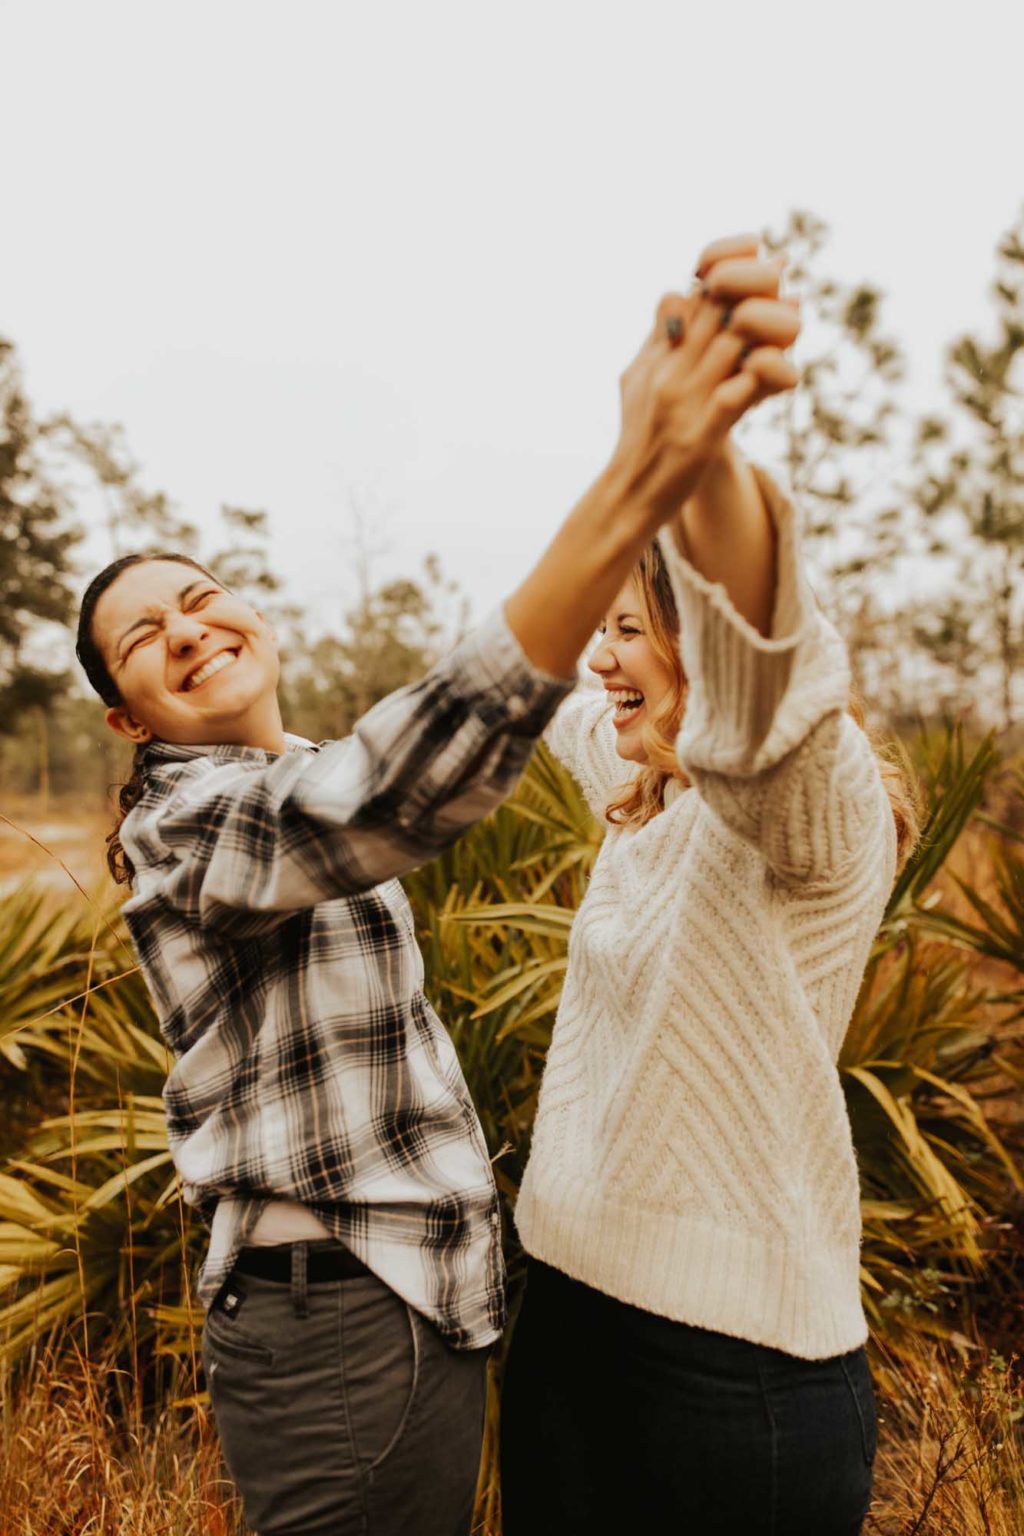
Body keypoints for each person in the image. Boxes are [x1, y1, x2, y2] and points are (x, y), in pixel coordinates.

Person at [73, 237, 801, 1536]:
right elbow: (393, 786)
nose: (186, 627)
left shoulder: (293, 770)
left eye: (200, 596)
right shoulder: (185, 829)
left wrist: (706, 481)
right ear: (128, 719)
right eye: (146, 637)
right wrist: (634, 477)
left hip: (412, 1299)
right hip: (332, 1316)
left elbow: (598, 715)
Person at [499, 237, 918, 1536]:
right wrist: (634, 458)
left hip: (730, 1379)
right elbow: (524, 685)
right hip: (562, 1314)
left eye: (635, 631)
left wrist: (703, 464)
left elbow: (767, 672)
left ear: (697, 647)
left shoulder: (811, 805)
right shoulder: (640, 789)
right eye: (606, 634)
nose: (603, 664)